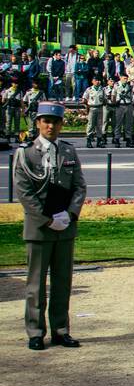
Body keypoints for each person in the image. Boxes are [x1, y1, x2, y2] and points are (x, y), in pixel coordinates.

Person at [15, 102, 86, 350]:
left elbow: (79, 186)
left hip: (64, 227)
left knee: (62, 281)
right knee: (35, 284)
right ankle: (35, 331)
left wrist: (70, 214)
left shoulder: (68, 151)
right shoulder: (26, 153)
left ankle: (60, 329)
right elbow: (25, 192)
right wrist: (47, 219)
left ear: (61, 125)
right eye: (46, 121)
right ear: (37, 123)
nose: (50, 126)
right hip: (39, 228)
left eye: (55, 122)